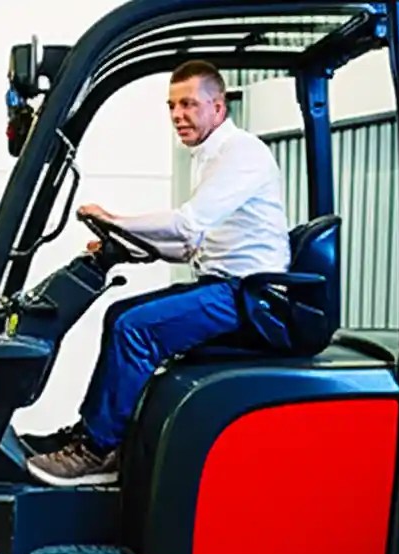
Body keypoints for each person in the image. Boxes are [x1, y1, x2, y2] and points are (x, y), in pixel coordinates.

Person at [25, 60, 291, 486]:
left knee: (135, 327)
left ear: (218, 107)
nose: (177, 116)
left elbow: (186, 224)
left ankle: (96, 451)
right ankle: (95, 434)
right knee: (120, 315)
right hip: (226, 286)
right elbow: (190, 245)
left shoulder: (241, 153)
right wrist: (123, 246)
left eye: (188, 105)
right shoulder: (212, 157)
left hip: (247, 296)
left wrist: (116, 219)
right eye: (171, 106)